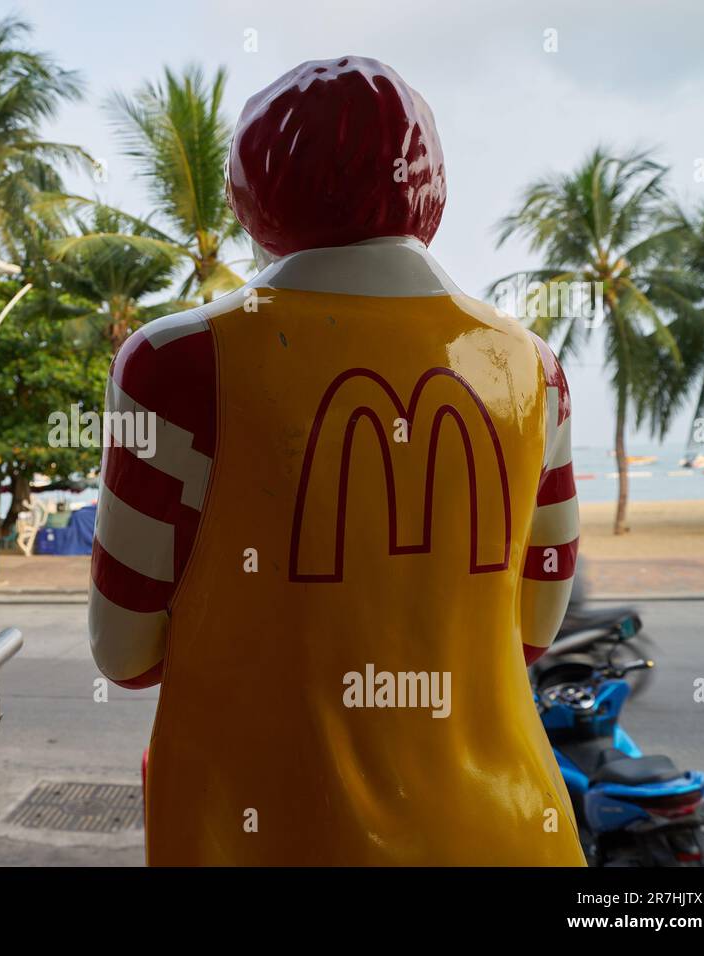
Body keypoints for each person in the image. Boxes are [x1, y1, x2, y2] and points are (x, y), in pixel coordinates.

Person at [87, 56, 584, 865]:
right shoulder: (534, 367)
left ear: (254, 193)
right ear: (430, 190)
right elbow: (534, 625)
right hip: (507, 829)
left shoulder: (175, 363)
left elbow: (125, 652)